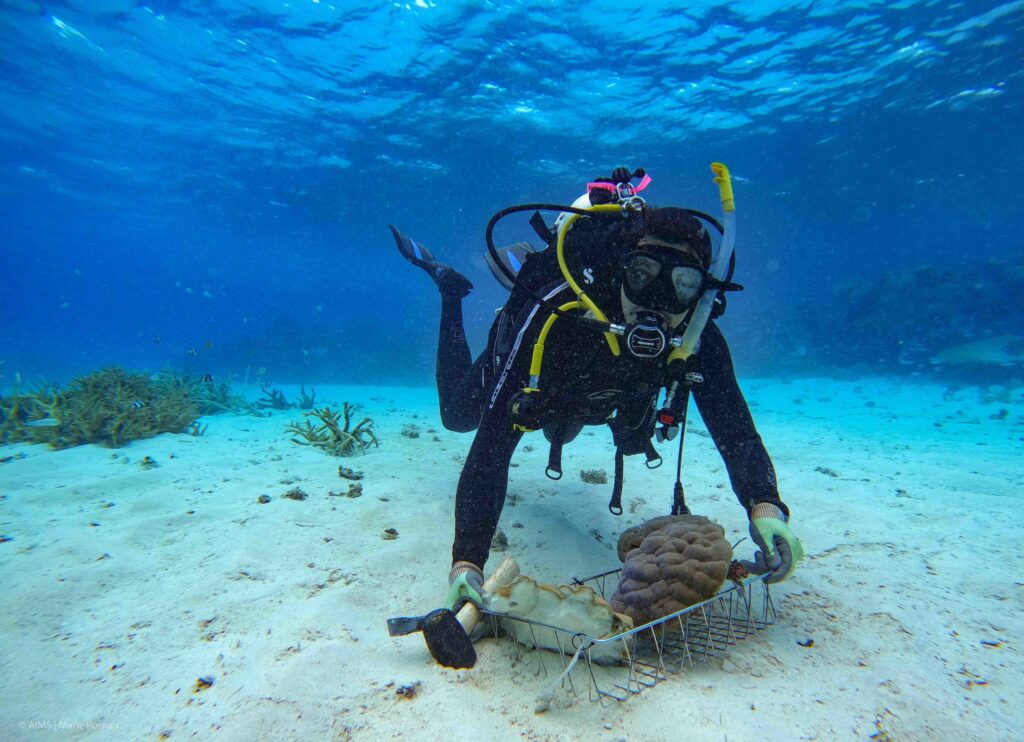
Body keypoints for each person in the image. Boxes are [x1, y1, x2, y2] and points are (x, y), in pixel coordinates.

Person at [390, 167, 804, 609]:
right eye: (643, 275)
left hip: (606, 399)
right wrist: (466, 563)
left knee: (619, 432)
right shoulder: (558, 318)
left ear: (702, 294)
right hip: (547, 380)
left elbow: (735, 429)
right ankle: (450, 291)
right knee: (458, 418)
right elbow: (490, 449)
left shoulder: (696, 337)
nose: (657, 302)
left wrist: (767, 508)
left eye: (682, 285)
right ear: (621, 269)